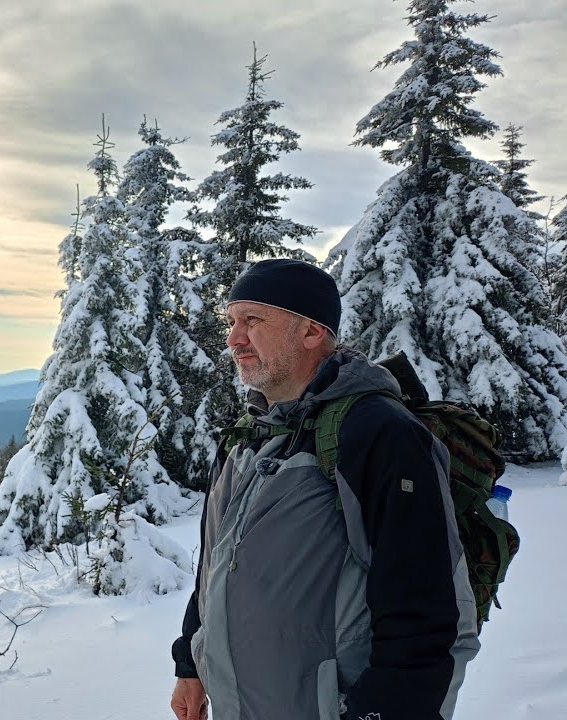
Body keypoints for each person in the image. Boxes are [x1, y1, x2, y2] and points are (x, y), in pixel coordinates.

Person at [169, 259, 479, 720]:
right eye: (232, 321)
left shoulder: (378, 433)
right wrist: (190, 665)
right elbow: (214, 567)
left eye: (253, 320)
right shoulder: (246, 436)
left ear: (312, 331)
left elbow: (425, 615)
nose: (234, 338)